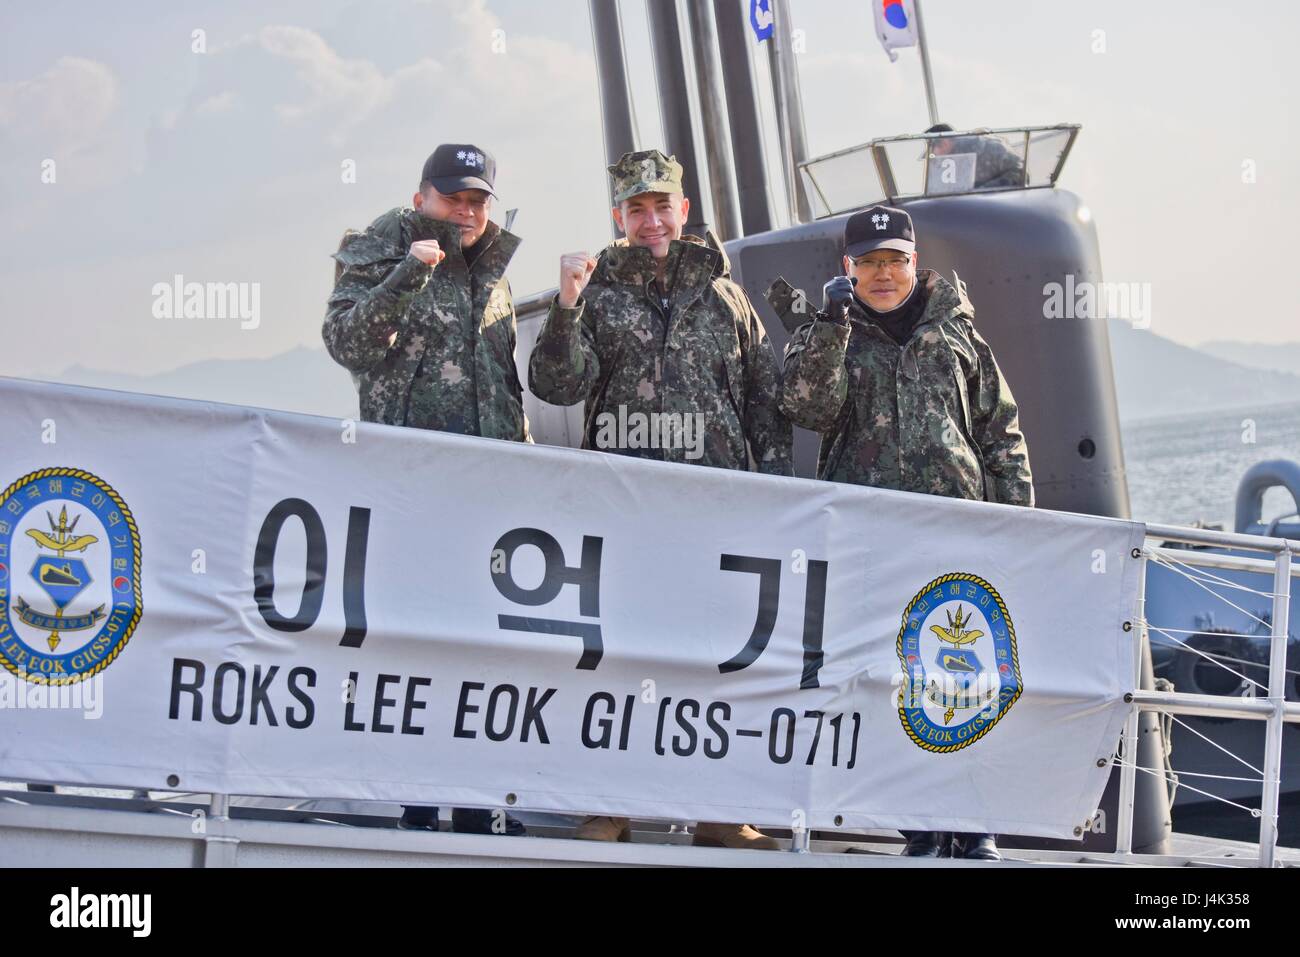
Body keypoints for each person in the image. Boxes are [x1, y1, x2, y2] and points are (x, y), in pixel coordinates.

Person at [528, 148, 793, 849]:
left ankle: (718, 811)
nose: (651, 220)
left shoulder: (728, 299)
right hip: (626, 515)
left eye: (661, 206)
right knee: (617, 655)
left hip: (719, 517)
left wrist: (767, 502)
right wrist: (564, 306)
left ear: (684, 210)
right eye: (636, 208)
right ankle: (610, 805)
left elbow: (763, 406)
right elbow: (556, 386)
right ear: (619, 215)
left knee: (719, 658)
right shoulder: (597, 297)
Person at [769, 204, 1033, 860]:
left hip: (960, 532)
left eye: (894, 260)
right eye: (869, 263)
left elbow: (1000, 431)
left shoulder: (960, 333)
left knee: (964, 676)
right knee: (892, 681)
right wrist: (829, 326)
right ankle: (918, 822)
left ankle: (972, 825)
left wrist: (1017, 524)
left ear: (915, 264)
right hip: (874, 540)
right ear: (848, 269)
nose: (883, 274)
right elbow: (807, 407)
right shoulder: (830, 331)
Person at [323, 142, 528, 837]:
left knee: (481, 644)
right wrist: (410, 273)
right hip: (409, 489)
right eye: (451, 197)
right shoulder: (378, 250)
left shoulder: (490, 269)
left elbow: (501, 379)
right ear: (421, 198)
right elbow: (348, 342)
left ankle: (475, 802)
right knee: (412, 645)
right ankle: (415, 797)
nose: (464, 210)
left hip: (490, 495)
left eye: (475, 200)